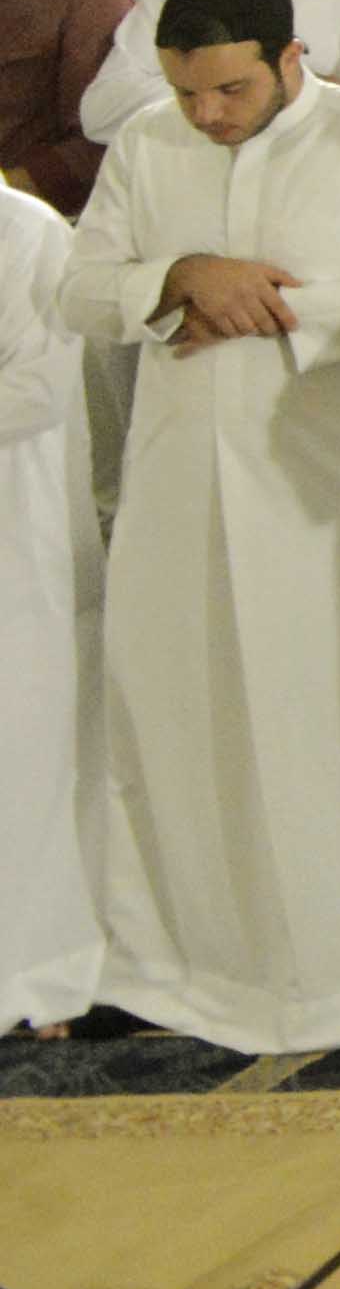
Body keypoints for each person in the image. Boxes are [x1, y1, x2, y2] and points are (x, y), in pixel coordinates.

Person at [60, 0, 340, 1050]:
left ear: (293, 59)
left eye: (232, 91)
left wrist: (283, 307)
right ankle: (185, 969)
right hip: (184, 494)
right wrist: (184, 272)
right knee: (184, 730)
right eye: (189, 92)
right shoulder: (153, 143)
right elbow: (73, 286)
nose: (209, 115)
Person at [0, 139, 80, 1027]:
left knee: (18, 748)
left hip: (10, 531)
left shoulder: (25, 234)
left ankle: (30, 965)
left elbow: (39, 389)